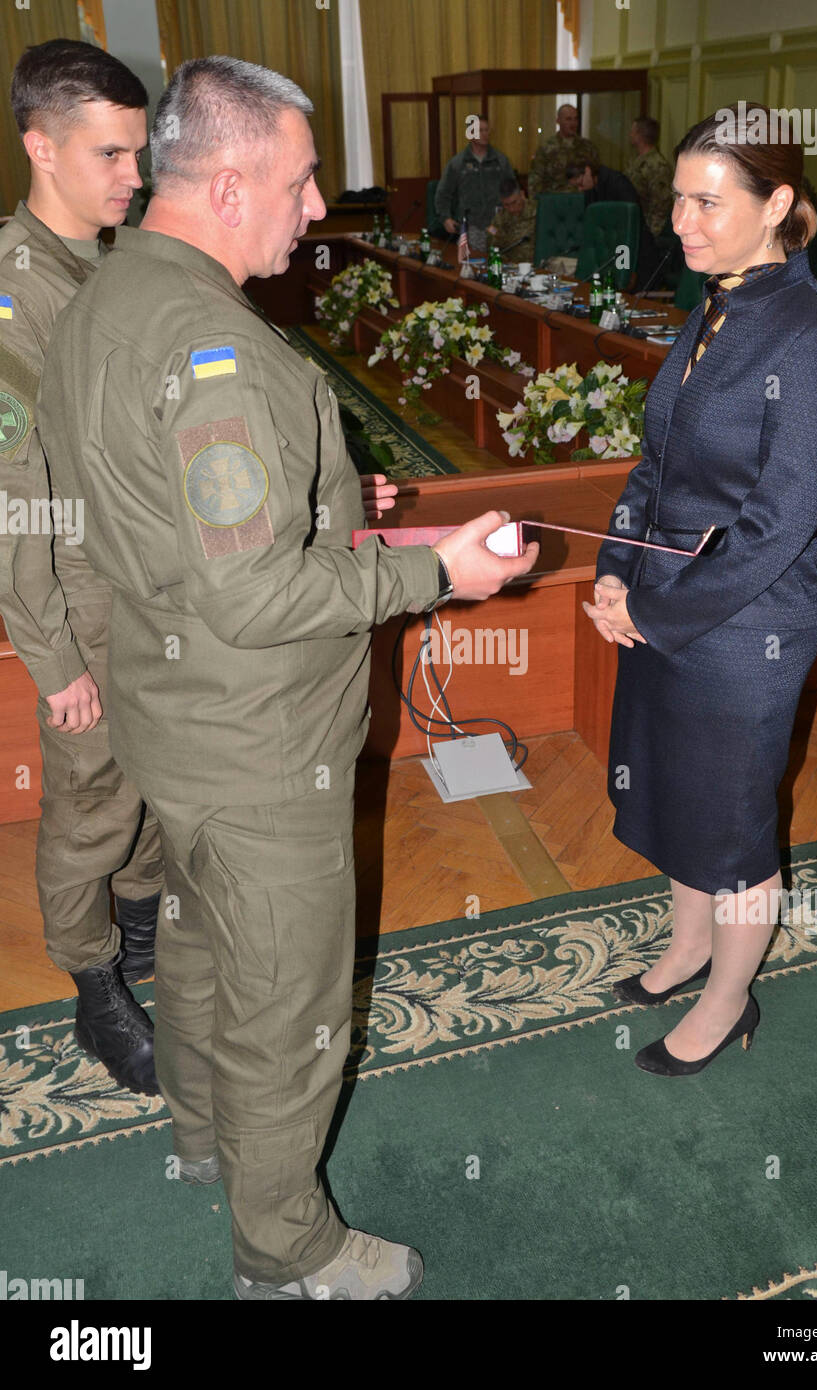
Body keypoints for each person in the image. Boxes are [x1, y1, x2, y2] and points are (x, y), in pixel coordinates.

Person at [38, 56, 538, 1300]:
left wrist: (327, 507)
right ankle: (287, 1250)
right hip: (260, 744)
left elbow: (158, 505)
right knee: (293, 1009)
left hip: (169, 715)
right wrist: (438, 577)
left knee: (207, 945)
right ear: (226, 181)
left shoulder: (101, 297)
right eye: (304, 181)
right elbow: (256, 592)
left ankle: (202, 1140)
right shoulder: (223, 352)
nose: (319, 208)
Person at [584, 102, 817, 1078]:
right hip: (668, 605)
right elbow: (655, 466)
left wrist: (652, 611)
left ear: (778, 202)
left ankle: (727, 998)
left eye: (708, 201)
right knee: (672, 792)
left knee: (735, 821)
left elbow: (772, 530)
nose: (681, 221)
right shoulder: (717, 305)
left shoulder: (813, 339)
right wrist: (614, 569)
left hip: (746, 629)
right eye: (677, 199)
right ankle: (689, 944)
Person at [0, 39, 163, 1096]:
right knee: (91, 803)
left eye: (139, 154)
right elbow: (14, 497)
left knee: (150, 778)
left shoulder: (106, 263)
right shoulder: (18, 297)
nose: (134, 177)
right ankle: (96, 988)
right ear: (40, 147)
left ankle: (145, 941)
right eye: (110, 155)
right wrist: (54, 655)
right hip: (82, 594)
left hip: (148, 585)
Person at [566, 159, 662, 286]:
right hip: (609, 248)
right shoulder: (590, 189)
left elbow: (631, 224)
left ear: (588, 171)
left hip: (633, 248)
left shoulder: (618, 182)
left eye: (580, 184)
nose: (580, 189)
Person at [434, 114, 514, 256]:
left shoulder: (500, 161)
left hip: (496, 224)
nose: (484, 134)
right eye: (480, 130)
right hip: (470, 226)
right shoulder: (458, 163)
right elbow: (443, 194)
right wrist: (445, 218)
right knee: (472, 266)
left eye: (486, 130)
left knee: (498, 262)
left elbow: (512, 190)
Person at [527, 102, 598, 198]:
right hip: (556, 203)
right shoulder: (546, 149)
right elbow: (534, 184)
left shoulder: (588, 147)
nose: (573, 123)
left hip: (583, 201)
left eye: (575, 119)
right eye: (568, 119)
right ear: (558, 121)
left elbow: (598, 178)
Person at [626, 116, 674, 239]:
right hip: (634, 226)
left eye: (632, 131)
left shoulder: (657, 165)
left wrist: (650, 236)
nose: (630, 134)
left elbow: (661, 206)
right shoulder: (636, 161)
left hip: (648, 232)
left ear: (639, 135)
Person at [488, 176, 537, 264]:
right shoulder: (500, 218)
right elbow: (492, 246)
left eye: (514, 202)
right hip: (510, 267)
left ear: (522, 194)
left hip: (537, 266)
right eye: (506, 205)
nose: (511, 209)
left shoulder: (537, 211)